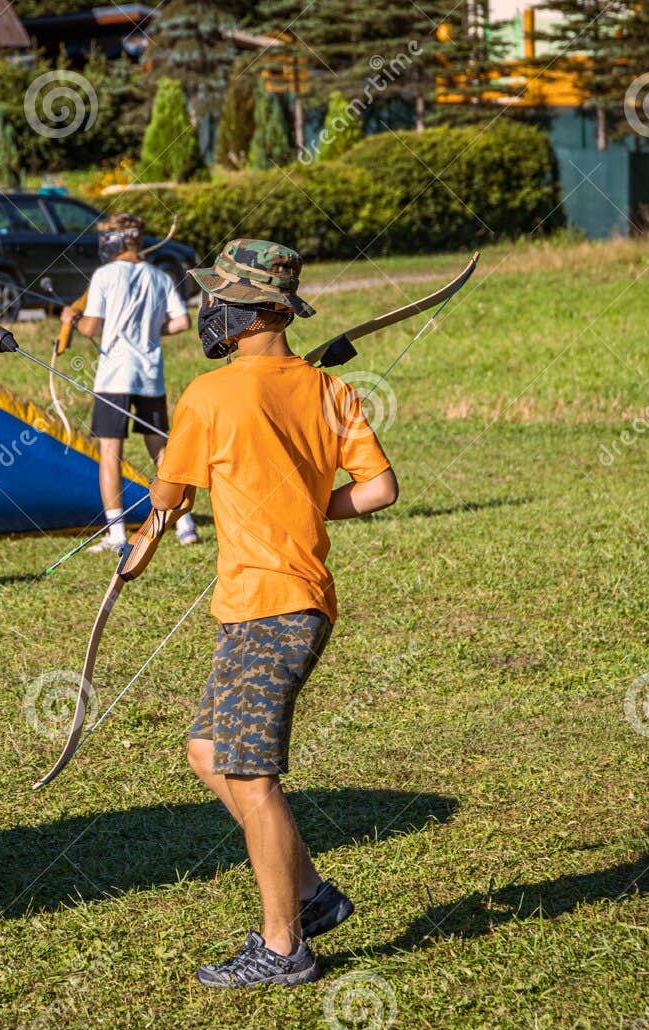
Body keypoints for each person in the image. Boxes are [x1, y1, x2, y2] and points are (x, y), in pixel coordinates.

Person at [150, 240, 400, 988]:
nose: (209, 308)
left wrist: (148, 530)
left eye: (221, 296)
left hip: (269, 607)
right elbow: (380, 487)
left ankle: (284, 947)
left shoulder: (208, 395)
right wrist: (313, 502)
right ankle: (311, 894)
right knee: (207, 749)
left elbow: (167, 500)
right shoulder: (327, 390)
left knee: (250, 775)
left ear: (259, 311)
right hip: (295, 605)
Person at [60, 212, 198, 551]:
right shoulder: (159, 276)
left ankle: (117, 535)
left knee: (110, 452)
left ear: (114, 241)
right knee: (160, 449)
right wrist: (153, 330)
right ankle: (185, 525)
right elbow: (181, 323)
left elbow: (91, 327)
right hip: (150, 375)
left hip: (115, 376)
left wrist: (71, 318)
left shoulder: (105, 276)